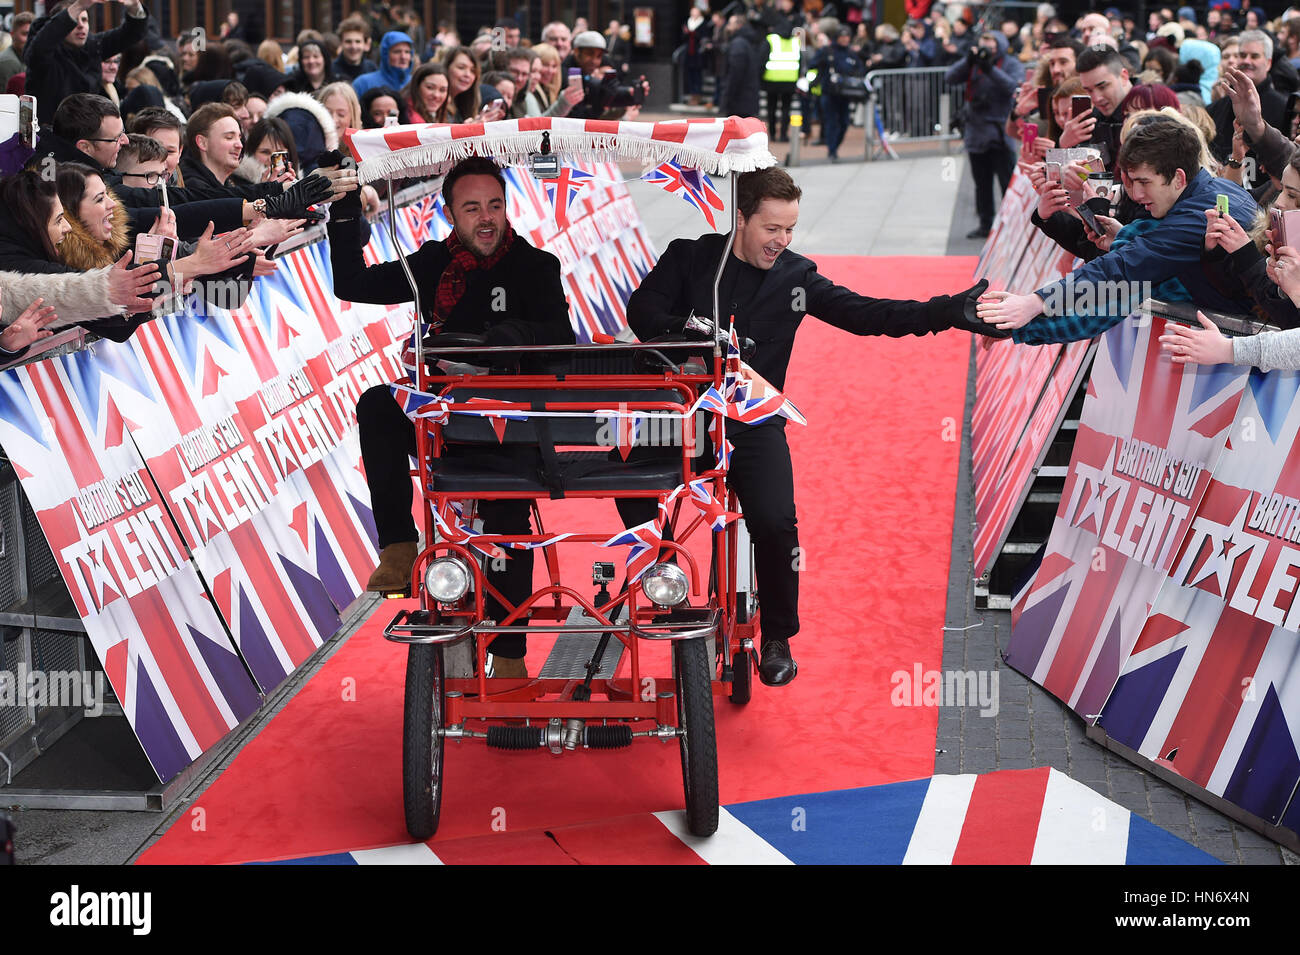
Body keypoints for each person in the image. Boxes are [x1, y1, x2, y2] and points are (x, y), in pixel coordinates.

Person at [621, 166, 1001, 686]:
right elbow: (642, 311)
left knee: (777, 523)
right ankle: (663, 581)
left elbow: (870, 315)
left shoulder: (795, 277)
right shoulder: (691, 258)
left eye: (790, 229)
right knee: (631, 483)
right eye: (771, 228)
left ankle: (776, 635)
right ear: (740, 219)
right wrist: (697, 332)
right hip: (685, 416)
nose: (782, 241)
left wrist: (950, 310)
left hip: (752, 420)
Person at [326, 156, 574, 679]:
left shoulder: (537, 266)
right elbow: (351, 284)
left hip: (511, 421)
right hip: (442, 416)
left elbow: (563, 342)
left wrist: (513, 339)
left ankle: (509, 655)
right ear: (450, 214)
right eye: (472, 208)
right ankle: (397, 542)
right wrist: (346, 208)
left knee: (507, 524)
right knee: (376, 402)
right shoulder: (433, 264)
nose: (486, 218)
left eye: (495, 205)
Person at [978, 117, 1259, 342]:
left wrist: (1035, 302)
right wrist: (1123, 236)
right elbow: (1142, 251)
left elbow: (1121, 270)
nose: (1135, 194)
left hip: (1237, 346)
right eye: (1128, 182)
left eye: (1144, 182)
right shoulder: (1214, 189)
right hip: (1227, 334)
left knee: (1126, 287)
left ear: (1178, 177)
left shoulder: (1198, 215)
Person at [24, 0, 149, 125]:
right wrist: (80, 5)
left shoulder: (94, 46)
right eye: (74, 20)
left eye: (84, 20)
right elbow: (40, 48)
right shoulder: (43, 54)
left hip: (86, 132)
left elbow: (131, 33)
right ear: (57, 26)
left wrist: (134, 6)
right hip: (48, 135)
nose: (80, 25)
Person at [563, 30, 649, 120]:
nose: (594, 61)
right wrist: (602, 103)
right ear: (576, 52)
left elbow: (606, 93)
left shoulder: (585, 72)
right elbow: (577, 119)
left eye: (599, 56)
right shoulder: (566, 75)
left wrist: (630, 94)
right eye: (589, 54)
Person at [810, 27, 866, 162]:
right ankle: (832, 150)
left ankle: (834, 146)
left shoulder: (850, 53)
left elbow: (859, 68)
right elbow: (813, 64)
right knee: (831, 122)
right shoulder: (827, 51)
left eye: (847, 36)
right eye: (842, 36)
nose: (845, 39)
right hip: (828, 93)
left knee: (844, 123)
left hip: (844, 94)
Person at [352, 30, 414, 98]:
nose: (403, 57)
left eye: (407, 52)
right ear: (385, 55)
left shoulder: (415, 83)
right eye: (397, 52)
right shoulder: (363, 83)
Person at [333, 15, 378, 82]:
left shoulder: (372, 69)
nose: (353, 46)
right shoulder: (332, 70)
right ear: (341, 43)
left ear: (365, 44)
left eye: (358, 41)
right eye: (348, 41)